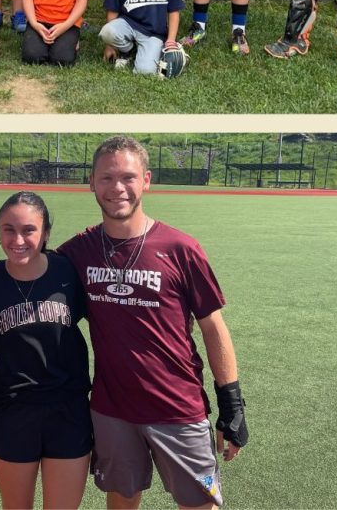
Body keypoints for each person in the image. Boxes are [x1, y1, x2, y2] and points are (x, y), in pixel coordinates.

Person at [58, 137, 247, 509]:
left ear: (146, 180)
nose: (117, 188)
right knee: (122, 500)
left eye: (127, 177)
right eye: (106, 178)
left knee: (201, 502)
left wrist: (232, 402)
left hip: (178, 408)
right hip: (113, 410)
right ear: (91, 183)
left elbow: (213, 326)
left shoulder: (181, 248)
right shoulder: (78, 251)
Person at [0, 192, 92, 510]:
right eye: (8, 229)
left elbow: (107, 318)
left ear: (45, 232)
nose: (18, 239)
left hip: (69, 410)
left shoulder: (68, 273)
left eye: (29, 230)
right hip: (14, 409)